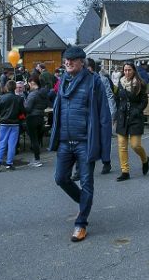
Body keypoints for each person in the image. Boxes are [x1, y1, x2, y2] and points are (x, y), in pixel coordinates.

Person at [48, 46, 112, 242]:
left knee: (86, 183)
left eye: (72, 59)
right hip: (66, 142)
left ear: (82, 62)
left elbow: (104, 116)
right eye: (66, 59)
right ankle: (84, 202)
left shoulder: (94, 83)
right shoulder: (62, 82)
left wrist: (105, 150)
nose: (67, 62)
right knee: (60, 178)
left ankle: (81, 223)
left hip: (85, 142)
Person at [114, 61, 149, 181]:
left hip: (135, 118)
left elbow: (144, 101)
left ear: (134, 70)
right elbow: (117, 99)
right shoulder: (120, 83)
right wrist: (118, 111)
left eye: (129, 70)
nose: (127, 72)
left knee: (135, 145)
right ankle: (125, 171)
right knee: (122, 146)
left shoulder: (140, 84)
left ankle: (145, 159)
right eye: (125, 70)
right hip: (122, 117)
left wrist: (137, 110)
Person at [86, 58, 115, 174]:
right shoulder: (83, 80)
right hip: (90, 114)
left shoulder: (102, 79)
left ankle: (106, 162)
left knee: (104, 138)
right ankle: (82, 167)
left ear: (90, 68)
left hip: (103, 113)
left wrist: (112, 113)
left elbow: (109, 95)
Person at [0, 80, 26, 171]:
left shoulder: (1, 97)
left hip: (4, 123)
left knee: (2, 143)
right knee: (12, 144)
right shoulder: (19, 98)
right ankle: (9, 163)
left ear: (7, 87)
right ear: (15, 88)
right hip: (15, 123)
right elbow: (23, 111)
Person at [24, 74, 52, 167]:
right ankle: (37, 158)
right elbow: (46, 105)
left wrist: (23, 105)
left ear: (32, 83)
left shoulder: (33, 94)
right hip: (41, 117)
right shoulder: (43, 93)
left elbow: (27, 108)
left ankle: (37, 160)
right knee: (37, 139)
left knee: (34, 139)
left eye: (28, 83)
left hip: (32, 118)